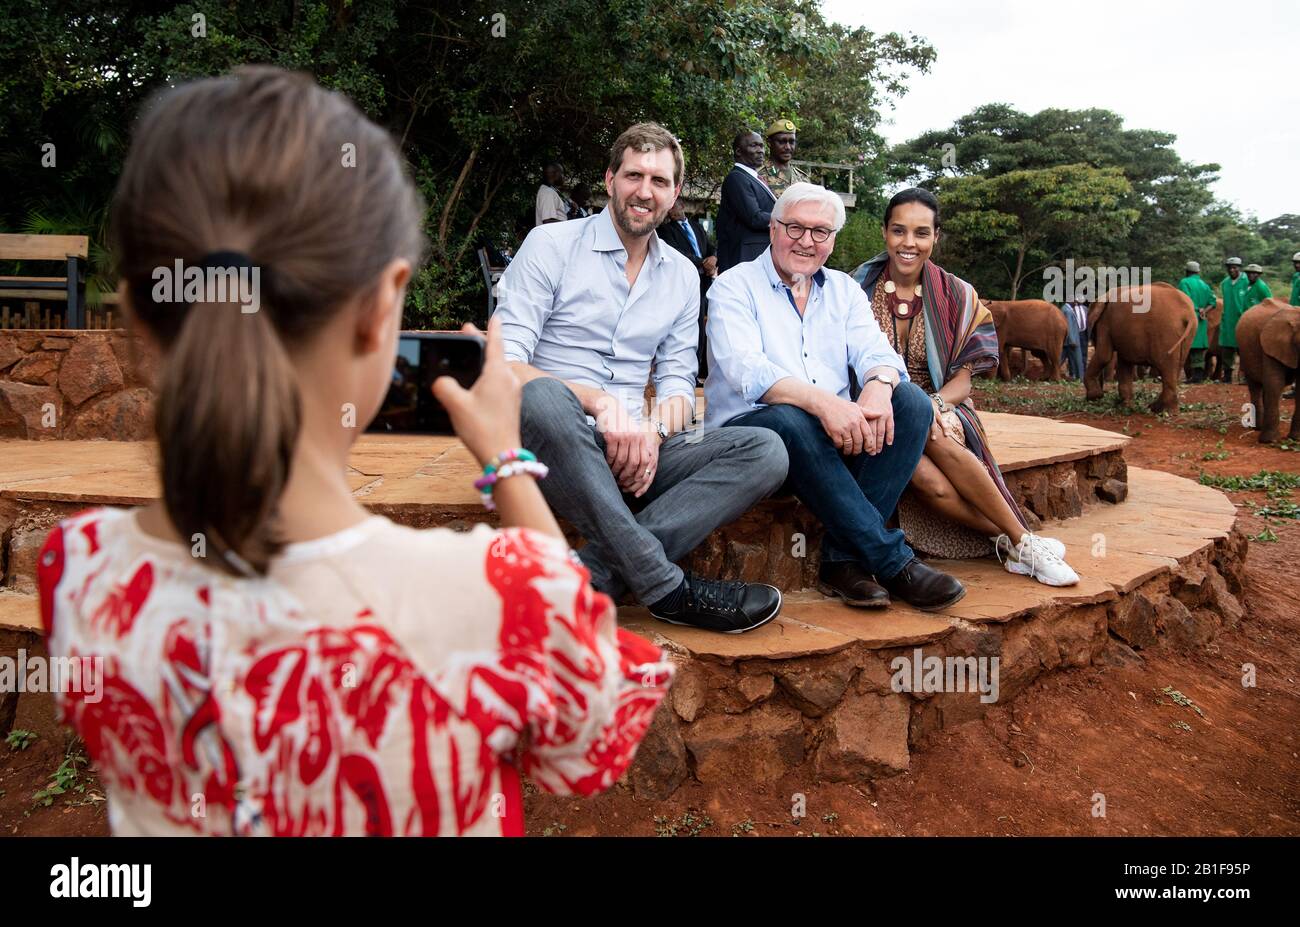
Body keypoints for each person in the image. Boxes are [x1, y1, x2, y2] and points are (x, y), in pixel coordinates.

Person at [35, 68, 673, 836]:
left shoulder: (78, 569)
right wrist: (506, 464)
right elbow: (587, 736)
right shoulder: (493, 591)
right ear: (381, 310)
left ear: (140, 316)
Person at [495, 122, 789, 634]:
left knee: (766, 449)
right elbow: (504, 362)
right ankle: (665, 586)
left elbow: (678, 386)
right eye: (633, 175)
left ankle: (590, 579)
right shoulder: (550, 245)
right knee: (543, 396)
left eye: (659, 180)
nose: (644, 191)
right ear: (610, 179)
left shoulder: (680, 275)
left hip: (631, 450)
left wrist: (651, 435)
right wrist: (601, 406)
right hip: (549, 439)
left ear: (675, 194)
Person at [705, 182, 965, 611]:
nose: (806, 241)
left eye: (820, 232)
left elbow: (876, 352)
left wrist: (880, 388)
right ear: (772, 228)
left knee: (912, 403)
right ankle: (892, 559)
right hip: (756, 436)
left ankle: (842, 560)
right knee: (792, 418)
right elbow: (747, 371)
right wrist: (826, 404)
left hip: (830, 439)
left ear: (832, 240)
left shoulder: (843, 290)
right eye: (795, 228)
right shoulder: (735, 286)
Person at [853, 188, 1078, 586]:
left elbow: (963, 378)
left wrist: (933, 403)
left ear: (936, 237)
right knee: (927, 474)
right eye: (899, 231)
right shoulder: (853, 289)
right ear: (885, 232)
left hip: (944, 401)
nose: (909, 243)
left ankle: (1021, 543)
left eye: (921, 233)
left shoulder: (958, 293)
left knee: (931, 433)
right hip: (875, 404)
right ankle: (1017, 540)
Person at [657, 196, 717, 379]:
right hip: (686, 281)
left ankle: (705, 368)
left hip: (706, 282)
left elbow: (710, 246)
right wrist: (702, 263)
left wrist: (713, 258)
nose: (670, 211)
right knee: (693, 325)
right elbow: (676, 252)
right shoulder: (665, 230)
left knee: (709, 324)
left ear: (682, 206)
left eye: (673, 207)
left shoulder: (697, 226)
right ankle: (693, 370)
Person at [716, 130, 777, 272]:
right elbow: (754, 217)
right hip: (744, 258)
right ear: (738, 151)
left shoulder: (753, 178)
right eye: (754, 146)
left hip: (756, 255)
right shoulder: (736, 178)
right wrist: (785, 219)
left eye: (762, 146)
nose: (760, 151)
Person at [1178, 260, 1218, 383]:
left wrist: (1196, 309)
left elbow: (1185, 299)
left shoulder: (1184, 282)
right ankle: (1198, 376)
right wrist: (1204, 310)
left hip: (1189, 317)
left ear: (1186, 272)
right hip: (1201, 319)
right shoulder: (1204, 285)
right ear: (1198, 272)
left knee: (1185, 346)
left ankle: (1180, 375)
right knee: (1198, 348)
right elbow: (1213, 302)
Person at [761, 118, 810, 199]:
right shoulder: (759, 175)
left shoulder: (802, 177)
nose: (787, 147)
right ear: (769, 143)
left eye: (791, 142)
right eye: (781, 142)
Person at [1218, 257, 1249, 382]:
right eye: (1229, 267)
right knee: (1227, 349)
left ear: (1239, 268)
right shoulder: (1225, 283)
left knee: (1244, 349)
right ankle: (1227, 376)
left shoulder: (1247, 281)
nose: (1232, 270)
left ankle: (1246, 376)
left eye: (1234, 267)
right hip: (1228, 320)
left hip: (1243, 319)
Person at [534, 161, 570, 225]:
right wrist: (571, 224)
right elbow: (548, 222)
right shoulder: (547, 192)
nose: (563, 177)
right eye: (562, 173)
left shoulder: (551, 191)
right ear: (555, 174)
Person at [1059, 301, 1086, 379]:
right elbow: (1069, 326)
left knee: (1060, 358)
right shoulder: (1067, 311)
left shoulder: (1066, 309)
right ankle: (1080, 378)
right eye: (1074, 300)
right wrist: (1072, 340)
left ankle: (1051, 373)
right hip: (1072, 340)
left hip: (1067, 340)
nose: (1076, 302)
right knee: (1078, 360)